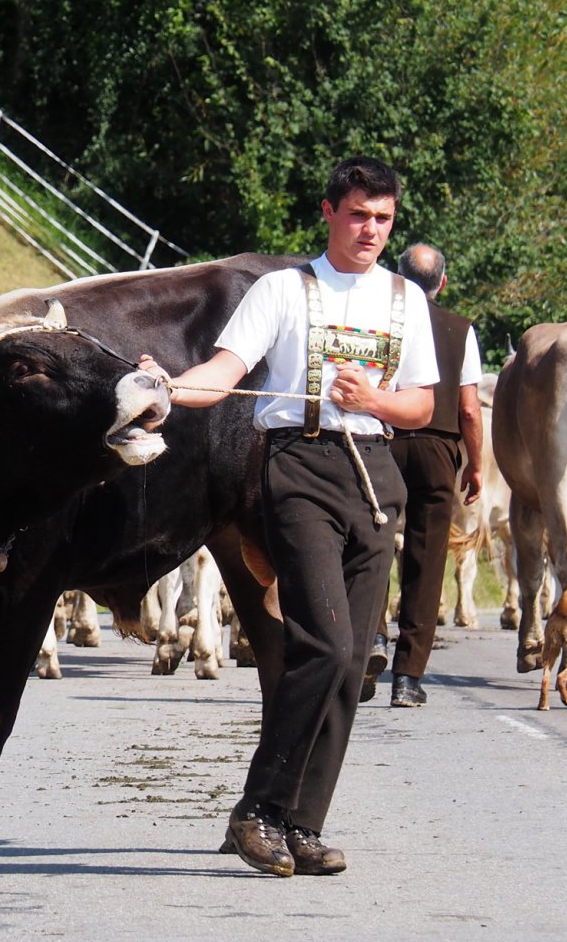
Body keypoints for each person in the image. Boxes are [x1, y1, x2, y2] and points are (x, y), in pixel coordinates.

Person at [139, 157, 438, 877]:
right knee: (327, 646)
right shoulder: (283, 290)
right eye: (360, 215)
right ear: (330, 212)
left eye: (384, 219)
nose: (371, 230)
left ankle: (301, 823)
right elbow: (226, 372)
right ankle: (257, 808)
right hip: (297, 466)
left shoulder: (406, 300)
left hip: (377, 475)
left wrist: (373, 402)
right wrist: (168, 387)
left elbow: (421, 406)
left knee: (352, 664)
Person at [370, 244, 483, 708]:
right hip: (438, 446)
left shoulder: (380, 321)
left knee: (370, 542)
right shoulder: (460, 329)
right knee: (426, 558)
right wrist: (475, 465)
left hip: (382, 438)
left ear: (397, 278)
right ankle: (407, 679)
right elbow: (470, 410)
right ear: (443, 282)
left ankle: (370, 641)